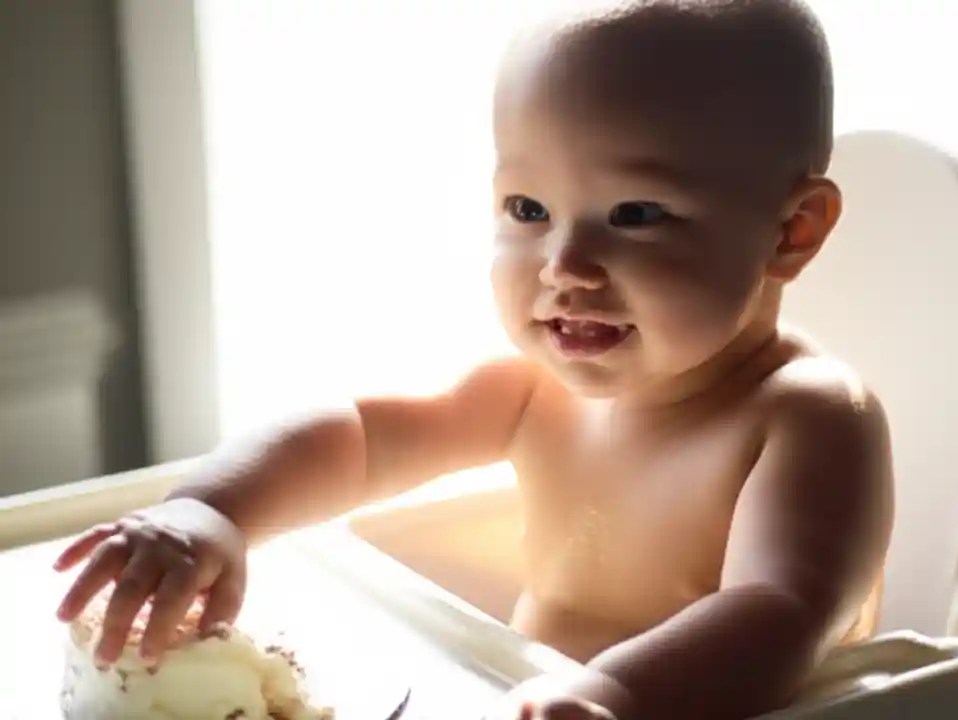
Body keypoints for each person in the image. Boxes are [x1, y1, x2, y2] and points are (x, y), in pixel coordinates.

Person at [53, 1, 893, 717]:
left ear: (792, 231)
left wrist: (614, 697)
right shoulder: (535, 388)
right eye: (527, 207)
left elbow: (779, 612)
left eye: (636, 213)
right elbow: (363, 437)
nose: (565, 265)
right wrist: (213, 512)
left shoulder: (807, 415)